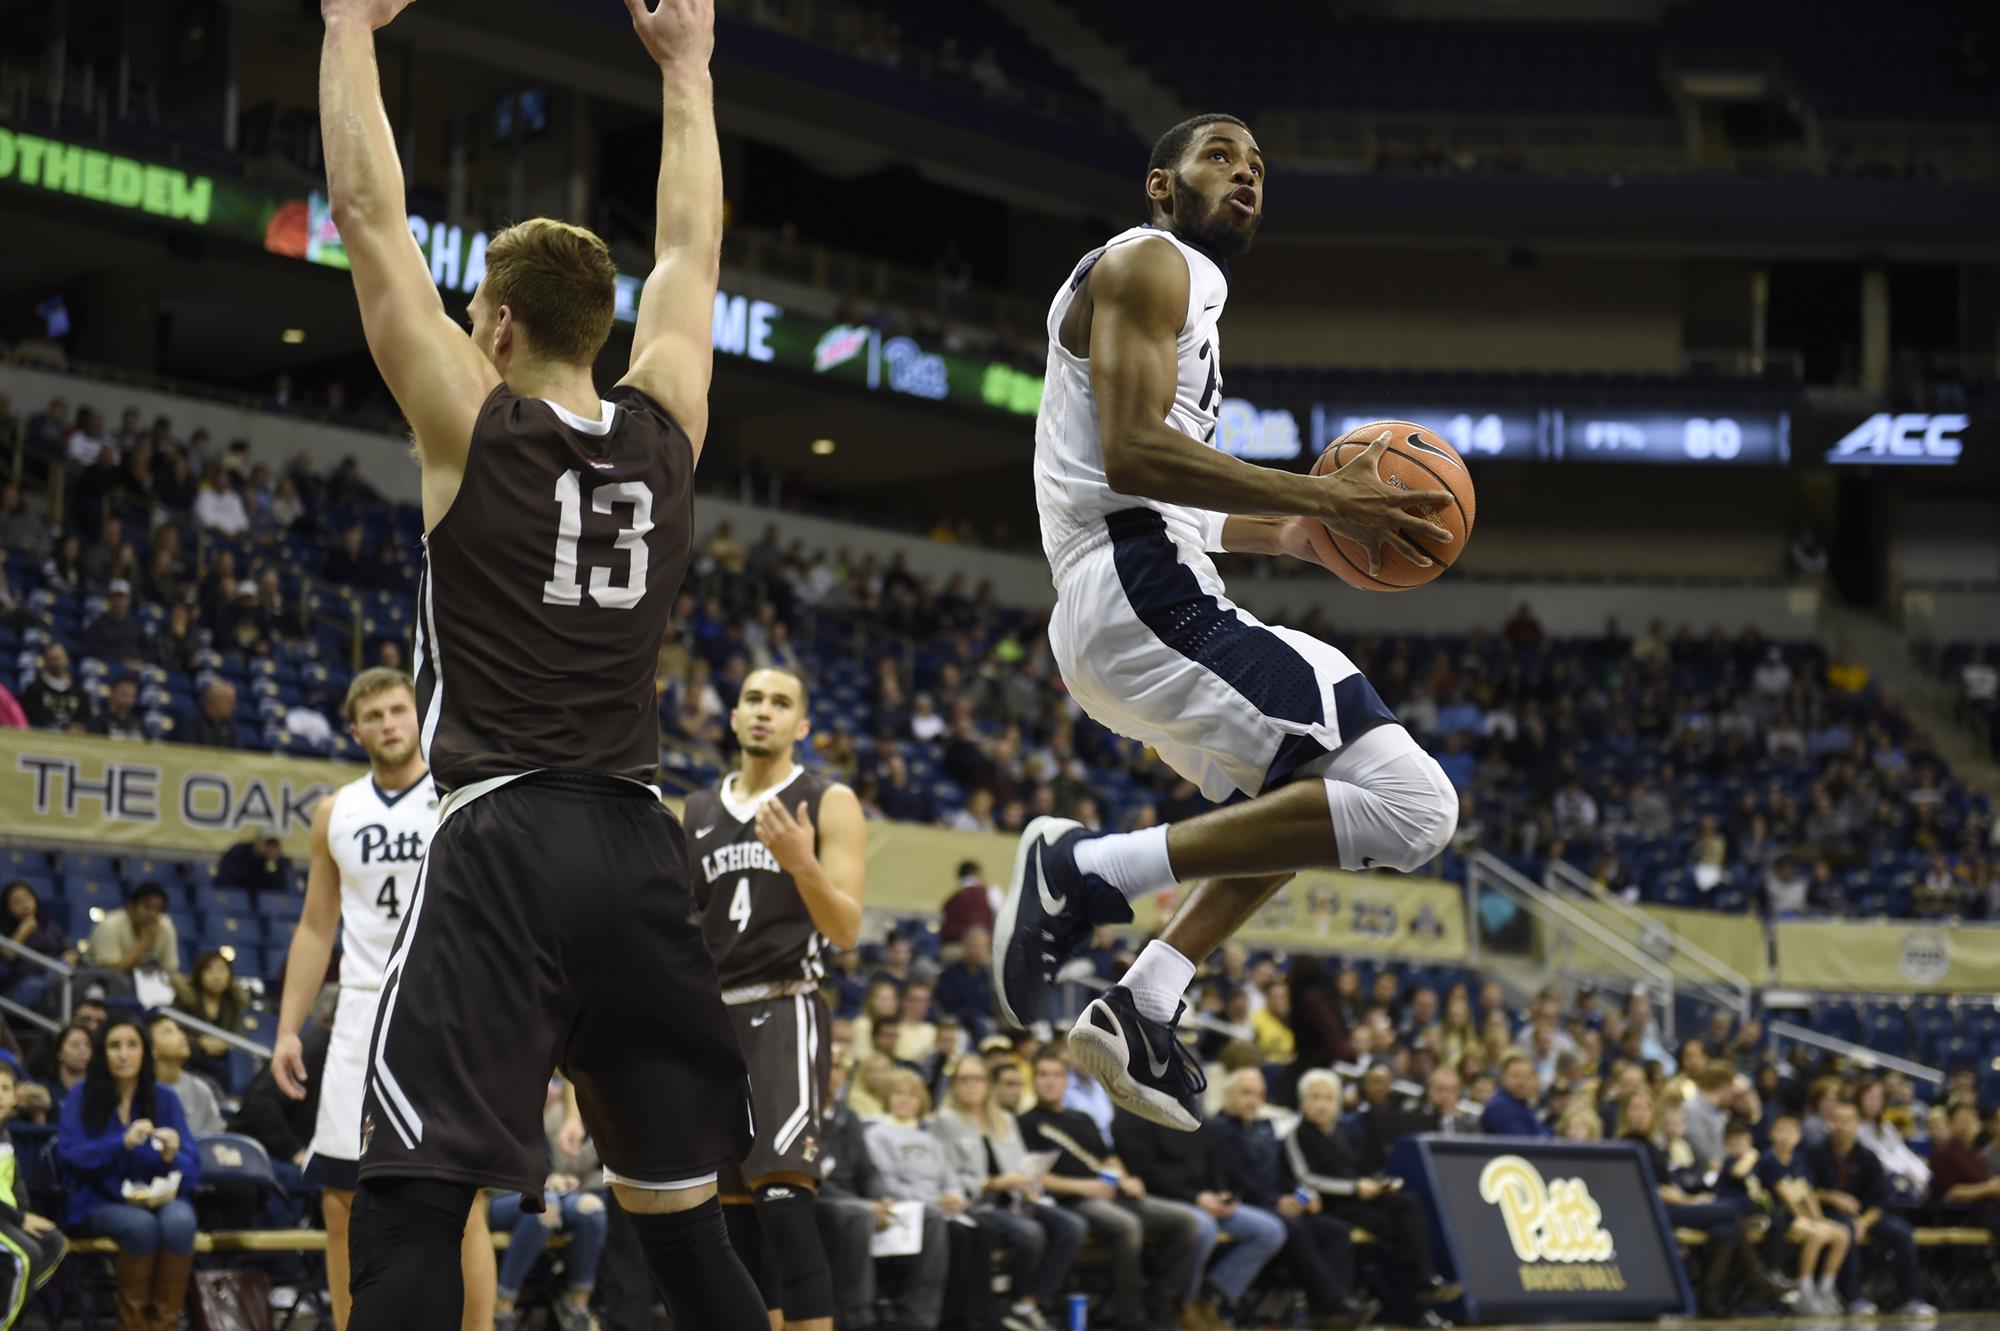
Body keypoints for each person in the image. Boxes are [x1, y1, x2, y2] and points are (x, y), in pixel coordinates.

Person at [322, 0, 761, 1322]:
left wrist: (347, 29)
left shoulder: (474, 425)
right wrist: (688, 68)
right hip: (641, 844)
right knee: (685, 1236)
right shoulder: (667, 419)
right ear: (603, 323)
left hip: (506, 836)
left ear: (498, 325)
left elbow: (366, 216)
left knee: (410, 1205)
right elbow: (693, 245)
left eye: (474, 312)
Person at [994, 114, 1458, 1130]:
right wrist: (1329, 498)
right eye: (1220, 159)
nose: (1245, 177)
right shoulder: (1151, 261)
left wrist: (1284, 532)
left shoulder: (1187, 292)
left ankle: (1144, 998)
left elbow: (1155, 482)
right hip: (1141, 589)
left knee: (1311, 796)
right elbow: (1130, 456)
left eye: (1256, 168)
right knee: (1414, 804)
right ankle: (1085, 869)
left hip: (1129, 598)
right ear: (1160, 187)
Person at [268, 669, 492, 1331]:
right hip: (361, 1010)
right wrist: (288, 1027)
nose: (390, 723)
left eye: (399, 709)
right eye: (375, 714)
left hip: (446, 1011)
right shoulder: (335, 811)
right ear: (355, 726)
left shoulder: (459, 794)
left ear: (417, 716)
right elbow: (316, 925)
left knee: (460, 1199)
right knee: (341, 1195)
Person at [686, 665, 867, 1331]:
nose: (764, 711)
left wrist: (802, 861)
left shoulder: (828, 800)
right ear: (732, 716)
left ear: (803, 725)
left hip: (787, 1008)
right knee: (732, 1219)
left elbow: (845, 927)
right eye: (753, 699)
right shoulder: (699, 810)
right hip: (714, 1020)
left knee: (787, 1204)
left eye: (781, 701)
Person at [1018, 1054, 1201, 1331]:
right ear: (1033, 1081)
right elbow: (1033, 1177)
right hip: (1071, 1201)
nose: (1050, 1081)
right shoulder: (1026, 1123)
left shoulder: (1082, 1118)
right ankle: (1131, 1316)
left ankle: (1160, 1301)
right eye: (1043, 1075)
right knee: (1126, 1227)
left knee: (1186, 1222)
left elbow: (1108, 1158)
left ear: (1066, 1082)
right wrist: (1085, 1186)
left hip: (1111, 1192)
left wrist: (1126, 1178)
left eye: (1056, 1075)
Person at [56, 1019, 202, 1331]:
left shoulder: (165, 1098)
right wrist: (119, 1144)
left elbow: (192, 1169)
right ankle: (133, 1325)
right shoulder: (82, 1096)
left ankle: (164, 1325)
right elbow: (69, 1157)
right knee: (140, 1227)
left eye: (132, 1045)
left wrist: (171, 1155)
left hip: (156, 1196)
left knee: (180, 1221)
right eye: (114, 1046)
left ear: (144, 1052)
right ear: (101, 1053)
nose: (123, 1054)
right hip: (95, 1199)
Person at [1207, 1069, 1376, 1330]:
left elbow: (1281, 1176)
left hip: (1274, 1203)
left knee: (1335, 1231)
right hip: (1244, 1205)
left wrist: (1301, 1196)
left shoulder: (1260, 1128)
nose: (1253, 1101)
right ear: (1228, 1094)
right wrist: (1277, 1203)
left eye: (1259, 1095)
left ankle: (1330, 1314)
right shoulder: (1218, 1129)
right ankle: (1334, 1302)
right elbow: (1236, 1181)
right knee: (1294, 1228)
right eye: (1245, 1093)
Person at [1285, 1069, 1458, 1311]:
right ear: (1303, 1102)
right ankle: (1408, 1303)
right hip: (1330, 1203)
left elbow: (1360, 1168)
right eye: (1315, 1097)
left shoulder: (1343, 1132)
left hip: (1359, 1196)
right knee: (1397, 1228)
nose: (1321, 1104)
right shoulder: (1296, 1134)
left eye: (1328, 1098)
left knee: (1408, 1203)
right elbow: (1304, 1178)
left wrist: (1380, 1184)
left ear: (1337, 1103)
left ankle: (1426, 1280)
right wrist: (1354, 1187)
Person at [934, 1052, 1083, 1331]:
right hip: (978, 1204)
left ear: (987, 1084)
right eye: (965, 1079)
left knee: (1072, 1226)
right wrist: (989, 1184)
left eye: (978, 1079)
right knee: (1031, 1234)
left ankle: (1029, 1302)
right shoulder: (945, 1121)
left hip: (1015, 1199)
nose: (972, 1085)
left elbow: (1020, 1164)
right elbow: (944, 1173)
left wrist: (1030, 1183)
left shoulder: (1003, 1119)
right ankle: (1015, 1305)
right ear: (954, 1085)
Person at [1114, 1094, 1287, 1329]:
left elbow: (1213, 1160)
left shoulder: (1191, 1111)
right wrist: (1194, 1198)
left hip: (1205, 1200)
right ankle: (1184, 1302)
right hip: (1164, 1200)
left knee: (1270, 1231)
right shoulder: (1133, 1111)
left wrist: (1222, 1193)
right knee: (1203, 1228)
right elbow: (1146, 1172)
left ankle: (1212, 1294)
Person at [864, 1069, 1001, 1331]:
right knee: (957, 1235)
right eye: (899, 1094)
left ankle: (979, 1315)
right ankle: (950, 1317)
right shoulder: (877, 1135)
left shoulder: (929, 1139)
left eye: (911, 1095)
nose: (905, 1100)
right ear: (888, 1098)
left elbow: (950, 1178)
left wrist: (956, 1197)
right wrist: (935, 1203)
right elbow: (886, 1183)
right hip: (910, 1210)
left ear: (921, 1101)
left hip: (941, 1208)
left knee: (984, 1230)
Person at [490, 1085, 609, 1331]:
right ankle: (502, 1306)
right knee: (545, 1207)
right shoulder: (491, 1103)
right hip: (494, 1196)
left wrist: (557, 1179)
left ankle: (576, 1308)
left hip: (537, 1191)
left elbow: (547, 1162)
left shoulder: (531, 1107)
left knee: (591, 1208)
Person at [1806, 1098, 1932, 1316]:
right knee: (1846, 1229)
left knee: (1902, 1234)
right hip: (1827, 1214)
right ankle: (1854, 1298)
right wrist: (1832, 1196)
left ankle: (1910, 1299)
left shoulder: (1868, 1157)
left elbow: (1881, 1200)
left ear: (1857, 1125)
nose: (1841, 1126)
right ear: (1828, 1123)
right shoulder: (1815, 1152)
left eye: (1846, 1121)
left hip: (1867, 1215)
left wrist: (1863, 1222)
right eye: (1836, 1120)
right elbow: (1806, 1189)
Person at [1754, 1113, 1851, 1315]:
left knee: (1842, 1233)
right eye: (1780, 1131)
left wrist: (1819, 1218)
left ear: (1798, 1137)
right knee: (1817, 1235)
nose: (1785, 1137)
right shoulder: (1769, 1160)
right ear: (1771, 1134)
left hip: (1801, 1215)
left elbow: (1807, 1193)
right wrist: (1807, 1220)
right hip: (1780, 1216)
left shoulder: (1798, 1159)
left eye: (1790, 1132)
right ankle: (1804, 1290)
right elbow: (1786, 1196)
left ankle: (1825, 1288)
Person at [0, 1061, 66, 1324]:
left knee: (53, 1242)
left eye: (4, 1088)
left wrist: (23, 1212)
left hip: (6, 1216)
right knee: (26, 1256)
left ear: (16, 1096)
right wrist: (19, 1219)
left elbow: (15, 1183)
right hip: (4, 1217)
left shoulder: (5, 1134)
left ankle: (10, 1300)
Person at [170, 951, 246, 1088]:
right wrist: (200, 1043)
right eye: (210, 971)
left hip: (224, 1060)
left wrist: (224, 1044)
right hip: (191, 1060)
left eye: (222, 970)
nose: (217, 977)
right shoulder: (185, 999)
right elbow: (172, 1032)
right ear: (199, 974)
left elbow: (239, 1035)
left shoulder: (232, 1002)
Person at [143, 1016, 224, 1138]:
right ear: (152, 1049)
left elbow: (216, 1138)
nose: (182, 1036)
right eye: (168, 1032)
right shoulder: (142, 1092)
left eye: (178, 1030)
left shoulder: (201, 1088)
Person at [87, 883, 179, 982]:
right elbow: (111, 973)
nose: (153, 914)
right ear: (131, 907)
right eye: (147, 907)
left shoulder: (165, 926)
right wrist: (145, 942)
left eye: (158, 910)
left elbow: (170, 970)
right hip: (98, 983)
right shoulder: (109, 925)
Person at [1, 882, 68, 1013]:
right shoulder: (3, 930)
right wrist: (22, 933)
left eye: (28, 899)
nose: (25, 905)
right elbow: (6, 957)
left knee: (62, 970)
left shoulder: (48, 924)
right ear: (6, 907)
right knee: (41, 984)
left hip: (50, 977)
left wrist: (71, 955)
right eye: (17, 902)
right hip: (18, 986)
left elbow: (65, 948)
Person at [19, 644, 92, 733]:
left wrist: (78, 727)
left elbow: (86, 719)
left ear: (67, 659)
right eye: (52, 660)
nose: (56, 663)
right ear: (45, 662)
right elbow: (30, 717)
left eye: (58, 658)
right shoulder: (34, 689)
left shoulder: (79, 692)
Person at [1478, 1055, 1548, 1138]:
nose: (1521, 1082)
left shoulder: (1524, 1104)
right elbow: (1524, 1144)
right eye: (1516, 1076)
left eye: (1527, 1077)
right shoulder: (1499, 1107)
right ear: (1504, 1077)